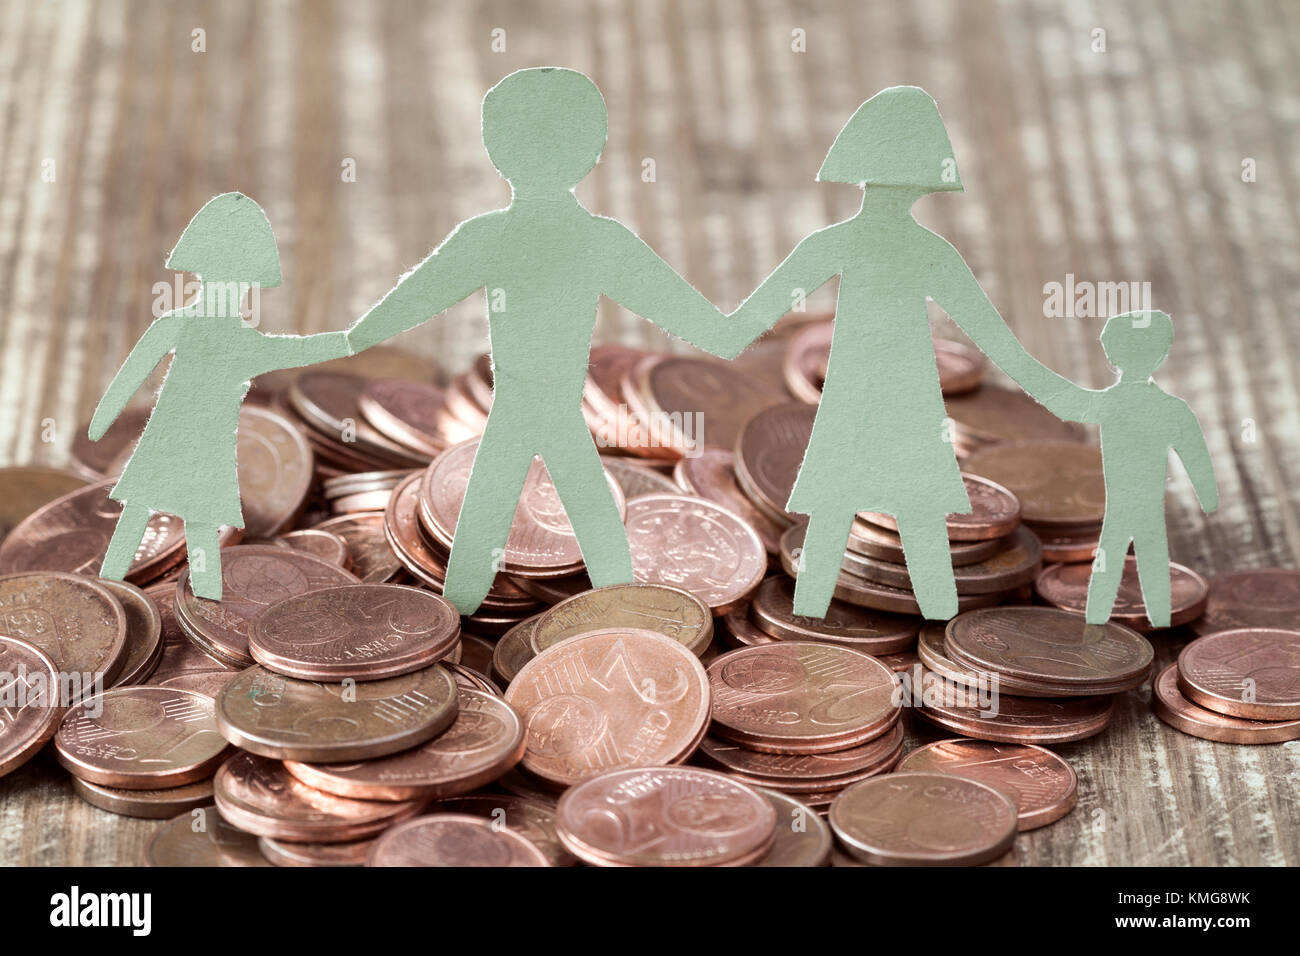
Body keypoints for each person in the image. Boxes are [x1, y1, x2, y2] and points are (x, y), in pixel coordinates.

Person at [347, 68, 748, 615]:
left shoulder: (496, 236)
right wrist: (734, 330)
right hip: (540, 407)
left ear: (495, 147)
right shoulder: (596, 240)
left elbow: (411, 302)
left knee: (505, 514)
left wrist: (352, 338)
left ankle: (457, 621)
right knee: (573, 517)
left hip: (534, 407)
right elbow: (694, 318)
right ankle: (612, 614)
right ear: (592, 149)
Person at [729, 86, 1068, 619]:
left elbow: (749, 319)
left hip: (877, 393)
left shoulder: (844, 242)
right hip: (891, 393)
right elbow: (994, 336)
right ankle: (928, 622)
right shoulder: (925, 250)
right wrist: (1048, 385)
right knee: (906, 507)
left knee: (862, 503)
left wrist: (704, 328)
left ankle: (826, 619)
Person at [90, 193, 352, 599]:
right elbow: (133, 372)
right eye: (223, 281)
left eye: (238, 284)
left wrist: (352, 340)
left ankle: (204, 599)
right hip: (169, 434)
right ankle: (106, 590)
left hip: (207, 445)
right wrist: (103, 418)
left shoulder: (245, 344)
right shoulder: (180, 323)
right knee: (142, 509)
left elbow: (301, 349)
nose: (231, 292)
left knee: (198, 521)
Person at [1032, 310, 1217, 627]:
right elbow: (1195, 455)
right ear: (1161, 353)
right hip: (1135, 504)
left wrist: (1027, 372)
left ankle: (1105, 620)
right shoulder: (1171, 408)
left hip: (1126, 505)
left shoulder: (1113, 404)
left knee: (1116, 560)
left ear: (1112, 353)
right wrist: (1208, 497)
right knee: (1148, 559)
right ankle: (1151, 620)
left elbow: (1065, 402)